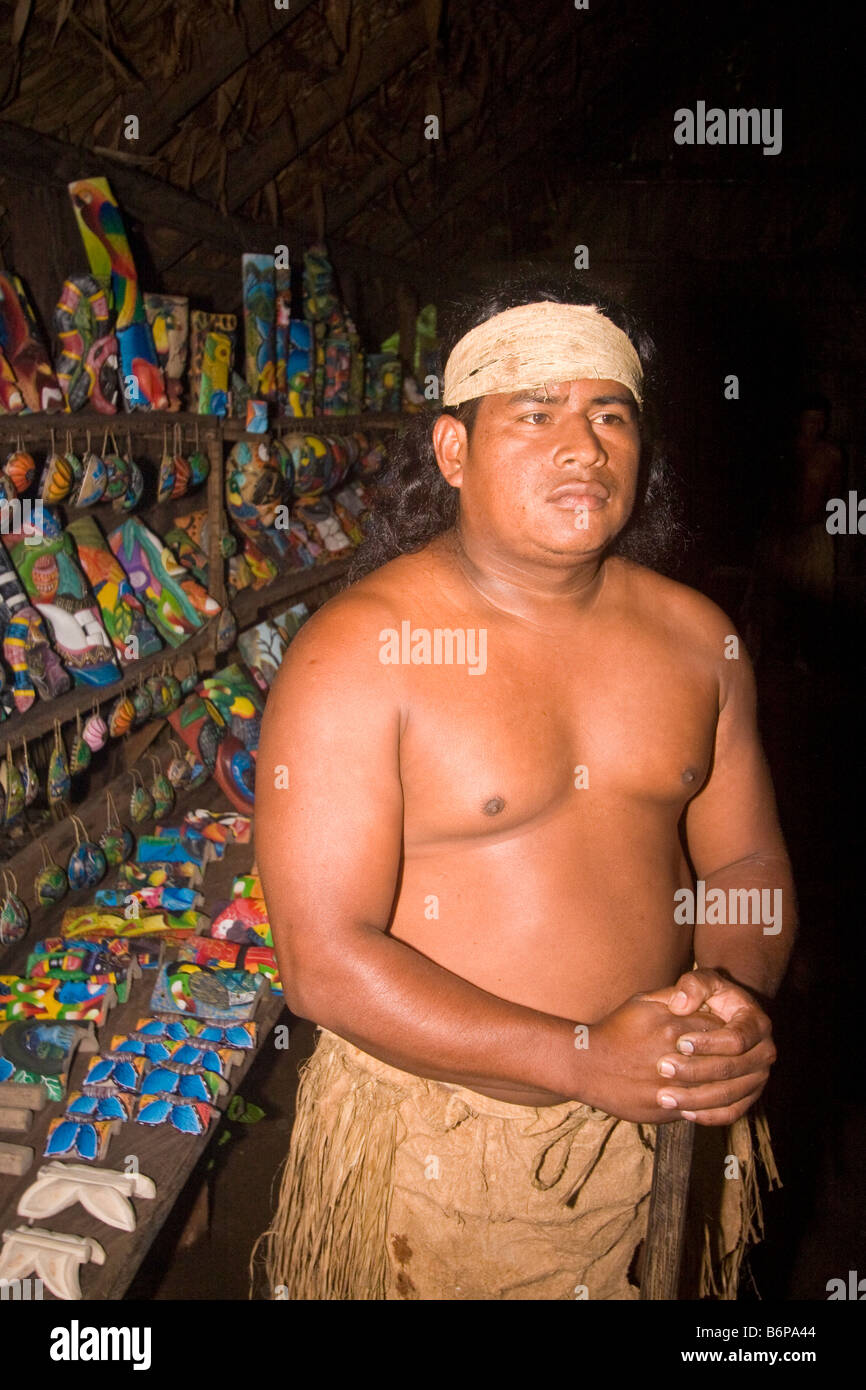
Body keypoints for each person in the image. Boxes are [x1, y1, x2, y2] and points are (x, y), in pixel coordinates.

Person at [254, 281, 794, 1301]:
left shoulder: (696, 640)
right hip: (445, 1163)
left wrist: (728, 992)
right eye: (535, 412)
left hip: (664, 1132)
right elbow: (321, 960)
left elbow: (744, 860)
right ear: (451, 451)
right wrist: (581, 1057)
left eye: (608, 414)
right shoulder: (359, 656)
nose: (583, 448)